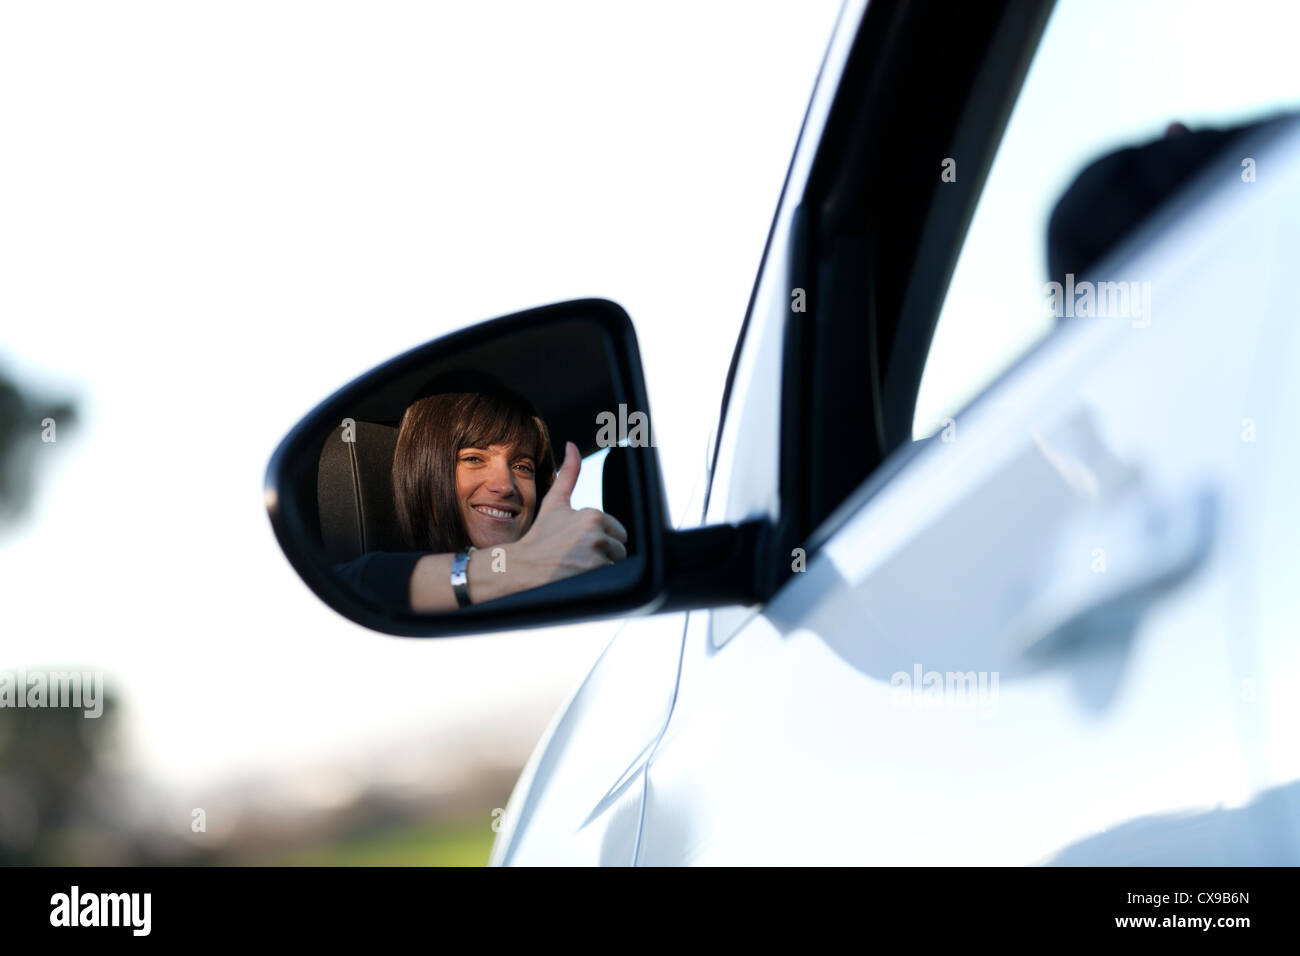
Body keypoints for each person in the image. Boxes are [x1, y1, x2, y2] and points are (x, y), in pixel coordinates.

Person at [334, 383, 627, 612]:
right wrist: (525, 565)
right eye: (474, 459)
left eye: (522, 466)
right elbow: (359, 583)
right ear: (424, 472)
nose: (505, 485)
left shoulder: (564, 585)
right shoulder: (362, 584)